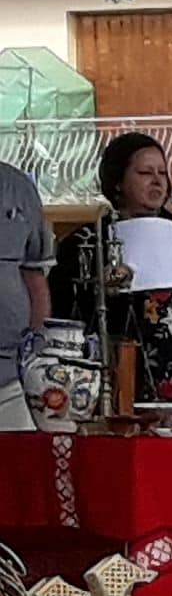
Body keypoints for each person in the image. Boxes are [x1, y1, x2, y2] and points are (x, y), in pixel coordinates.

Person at [52, 132, 172, 405]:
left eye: (163, 173)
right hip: (121, 395)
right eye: (145, 172)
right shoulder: (86, 242)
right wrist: (100, 292)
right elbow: (63, 319)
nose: (157, 181)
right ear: (118, 182)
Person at [0, 158, 50, 429]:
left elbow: (34, 274)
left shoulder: (18, 186)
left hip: (11, 377)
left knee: (23, 465)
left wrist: (37, 347)